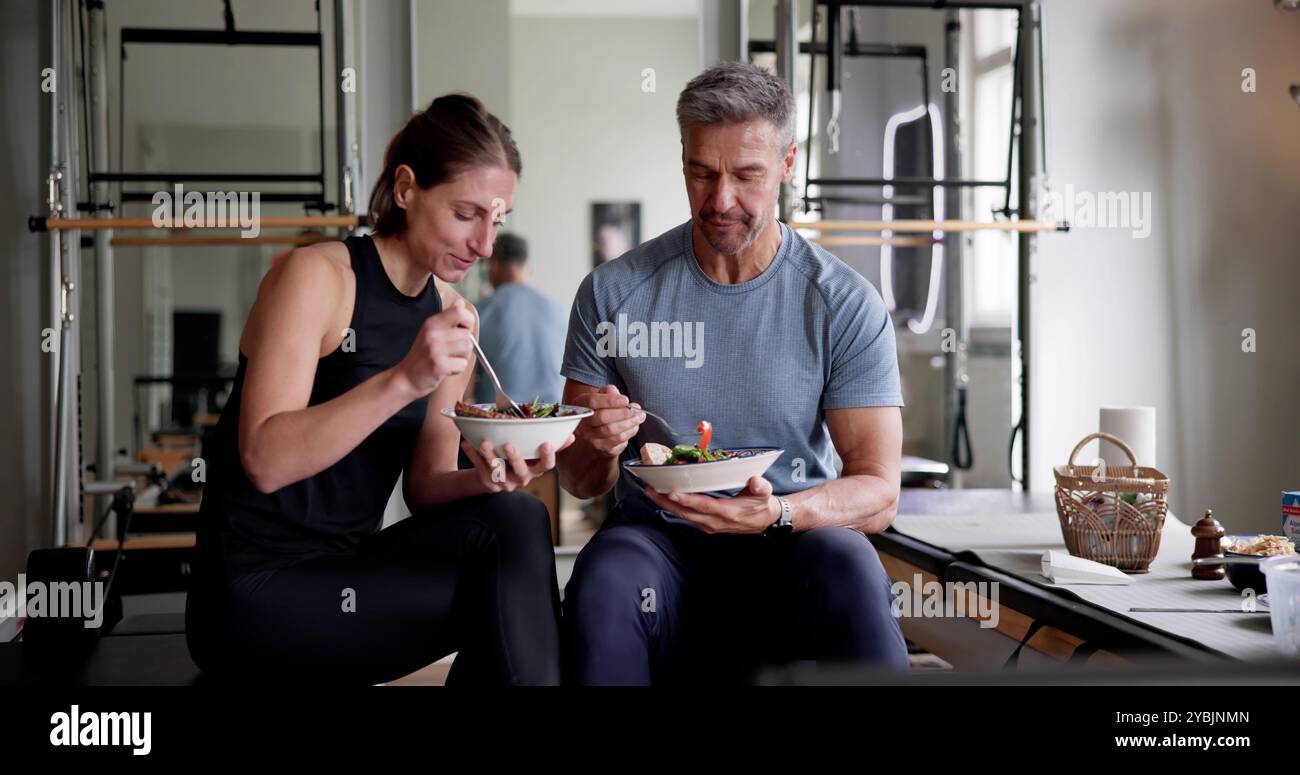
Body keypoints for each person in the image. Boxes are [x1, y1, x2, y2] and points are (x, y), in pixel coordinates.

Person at [185, 93, 570, 686]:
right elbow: (264, 459)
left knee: (516, 519)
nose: (486, 244)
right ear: (407, 188)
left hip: (348, 570)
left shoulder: (451, 311)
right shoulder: (316, 278)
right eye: (466, 214)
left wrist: (490, 477)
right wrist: (404, 380)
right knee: (506, 601)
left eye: (498, 220)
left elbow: (424, 487)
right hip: (251, 593)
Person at [557, 62, 910, 685]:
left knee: (852, 565)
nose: (721, 201)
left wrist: (777, 513)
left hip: (791, 542)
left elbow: (878, 490)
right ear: (684, 160)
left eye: (747, 176)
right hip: (658, 548)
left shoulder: (842, 302)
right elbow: (582, 482)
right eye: (701, 173)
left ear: (787, 163)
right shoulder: (613, 292)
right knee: (606, 575)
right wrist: (594, 443)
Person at [472, 233, 566, 406]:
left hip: (497, 424)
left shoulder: (479, 311)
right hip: (553, 419)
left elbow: (465, 384)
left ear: (494, 265)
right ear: (526, 266)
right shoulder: (557, 309)